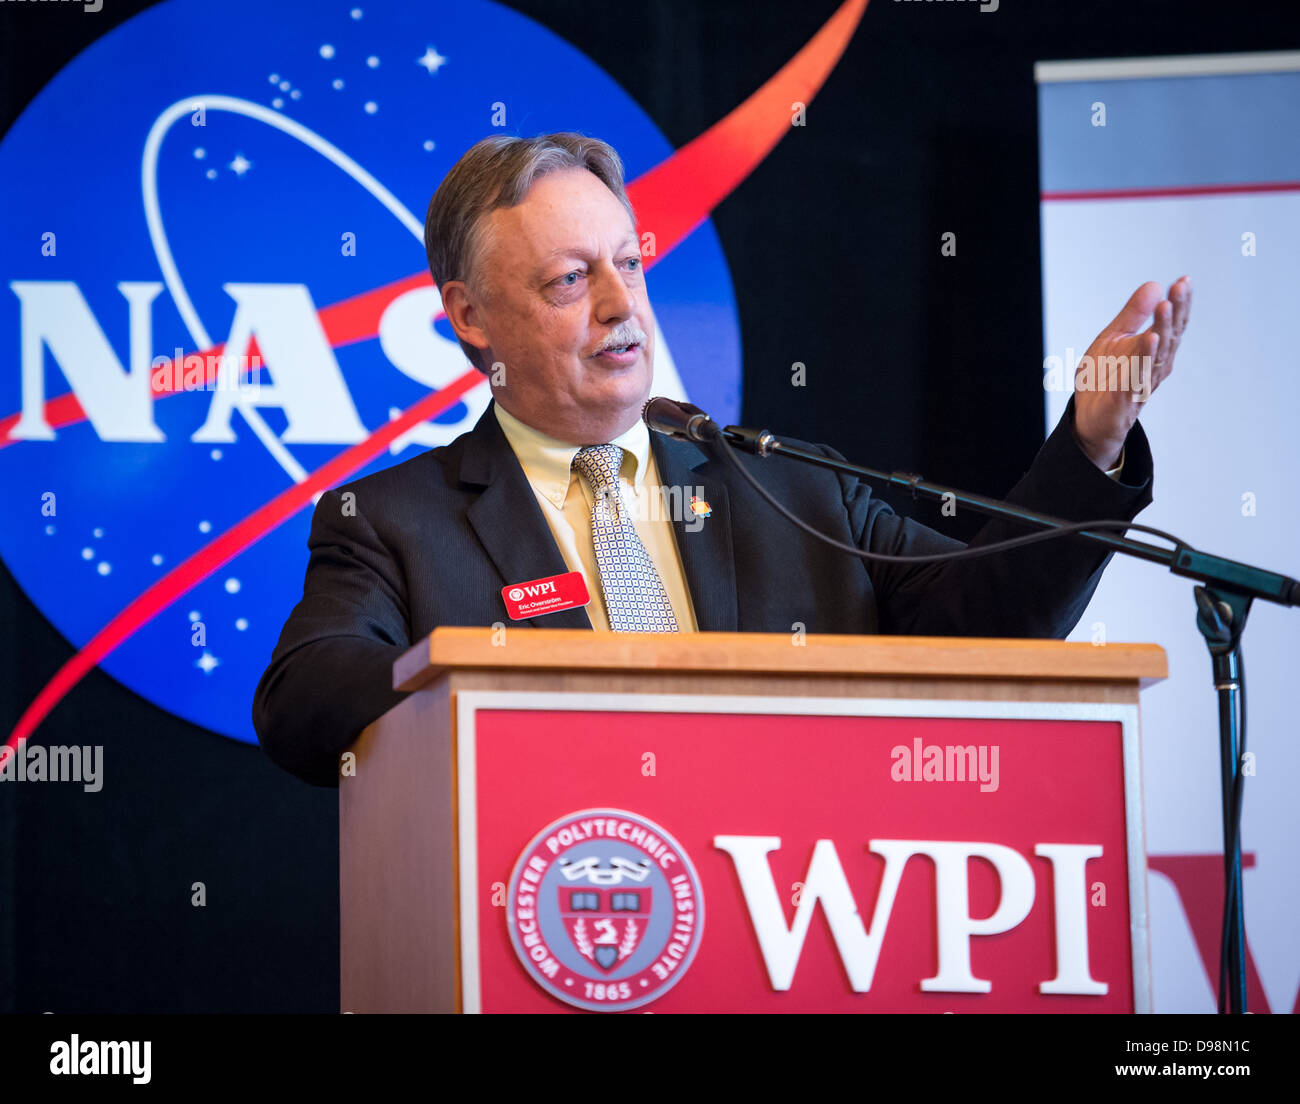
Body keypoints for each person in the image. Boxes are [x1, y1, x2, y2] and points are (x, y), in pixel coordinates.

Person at [253, 132, 1190, 786]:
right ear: (468, 318)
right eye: (573, 279)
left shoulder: (791, 488)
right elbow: (301, 699)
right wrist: (481, 689)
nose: (623, 304)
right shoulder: (394, 522)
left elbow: (990, 629)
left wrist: (1093, 441)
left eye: (632, 262)